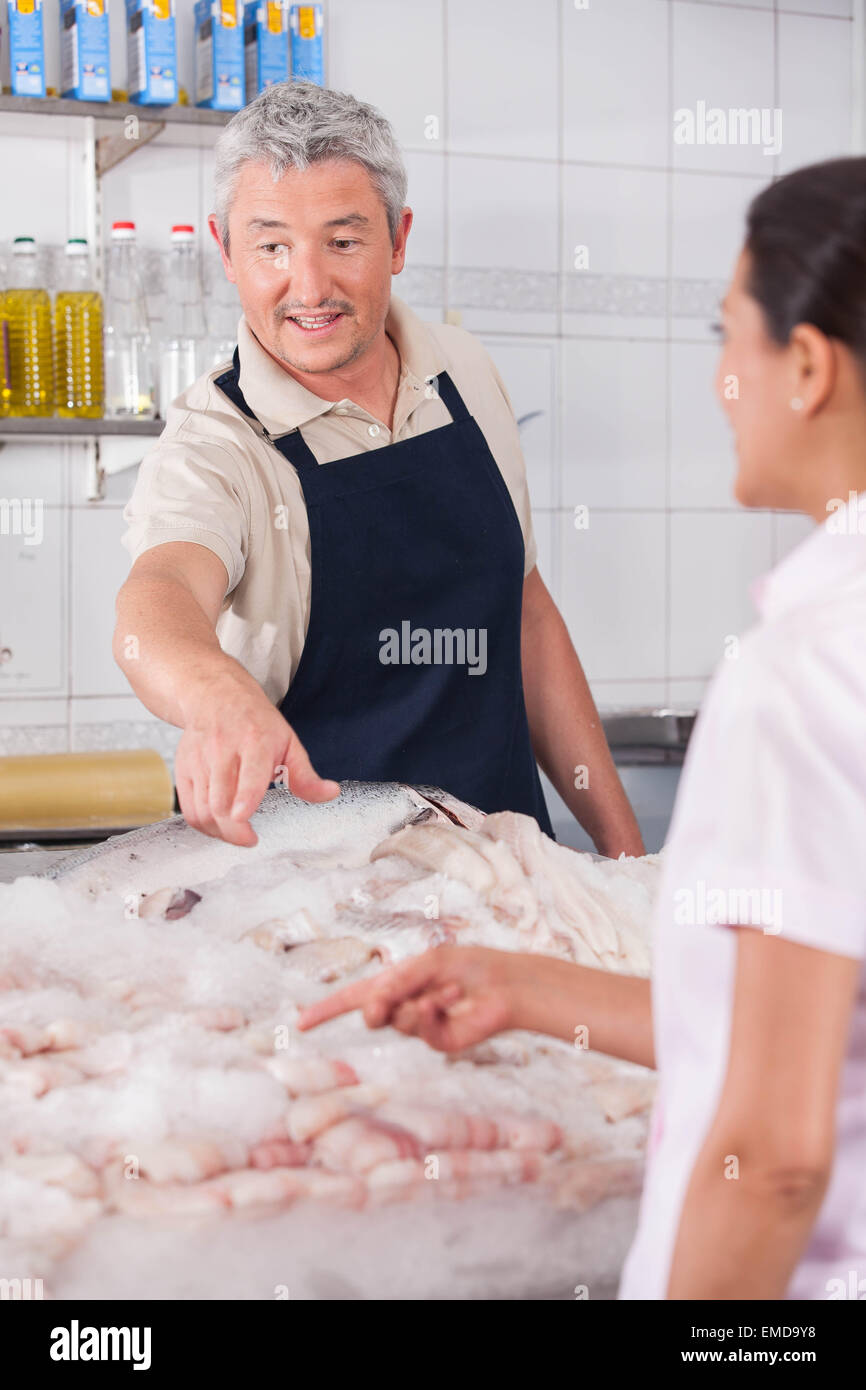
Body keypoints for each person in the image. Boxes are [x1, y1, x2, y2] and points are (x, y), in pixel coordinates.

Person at [299, 157, 866, 1301]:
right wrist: (525, 989)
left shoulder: (804, 672)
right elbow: (798, 1029)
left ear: (802, 366)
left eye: (727, 335)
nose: (721, 378)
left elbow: (773, 1157)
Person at [114, 81, 642, 859]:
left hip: (507, 875)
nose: (311, 287)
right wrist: (215, 694)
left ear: (398, 240)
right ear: (226, 252)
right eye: (271, 246)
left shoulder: (461, 372)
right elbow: (156, 599)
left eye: (344, 240)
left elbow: (525, 615)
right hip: (316, 906)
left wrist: (628, 859)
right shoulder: (214, 443)